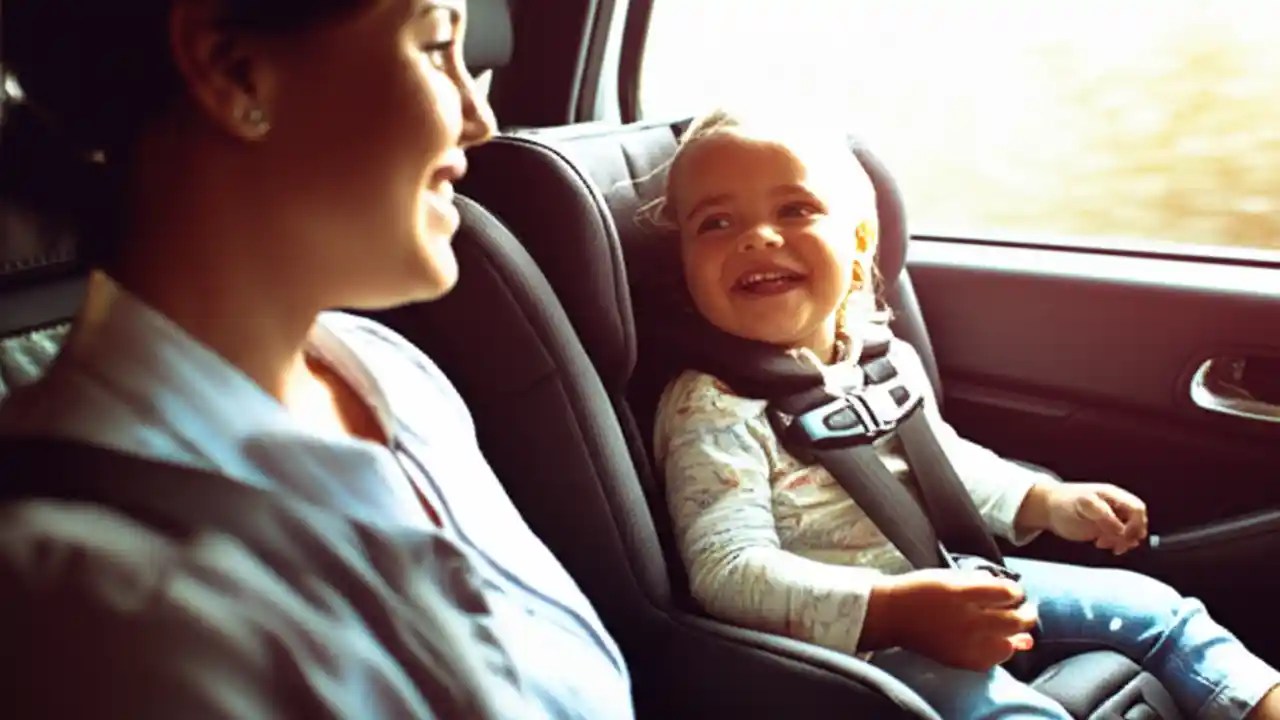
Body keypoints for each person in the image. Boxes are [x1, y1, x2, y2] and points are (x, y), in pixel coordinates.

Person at [0, 1, 633, 718]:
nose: (478, 114)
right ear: (235, 74)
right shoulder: (94, 615)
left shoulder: (393, 375)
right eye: (434, 45)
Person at [650, 107, 1280, 720]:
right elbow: (728, 571)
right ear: (685, 265)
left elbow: (943, 464)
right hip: (849, 640)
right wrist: (896, 610)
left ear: (860, 240)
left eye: (796, 209)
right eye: (716, 224)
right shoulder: (712, 406)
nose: (758, 236)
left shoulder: (880, 355)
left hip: (949, 576)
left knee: (1163, 613)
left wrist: (1046, 501)